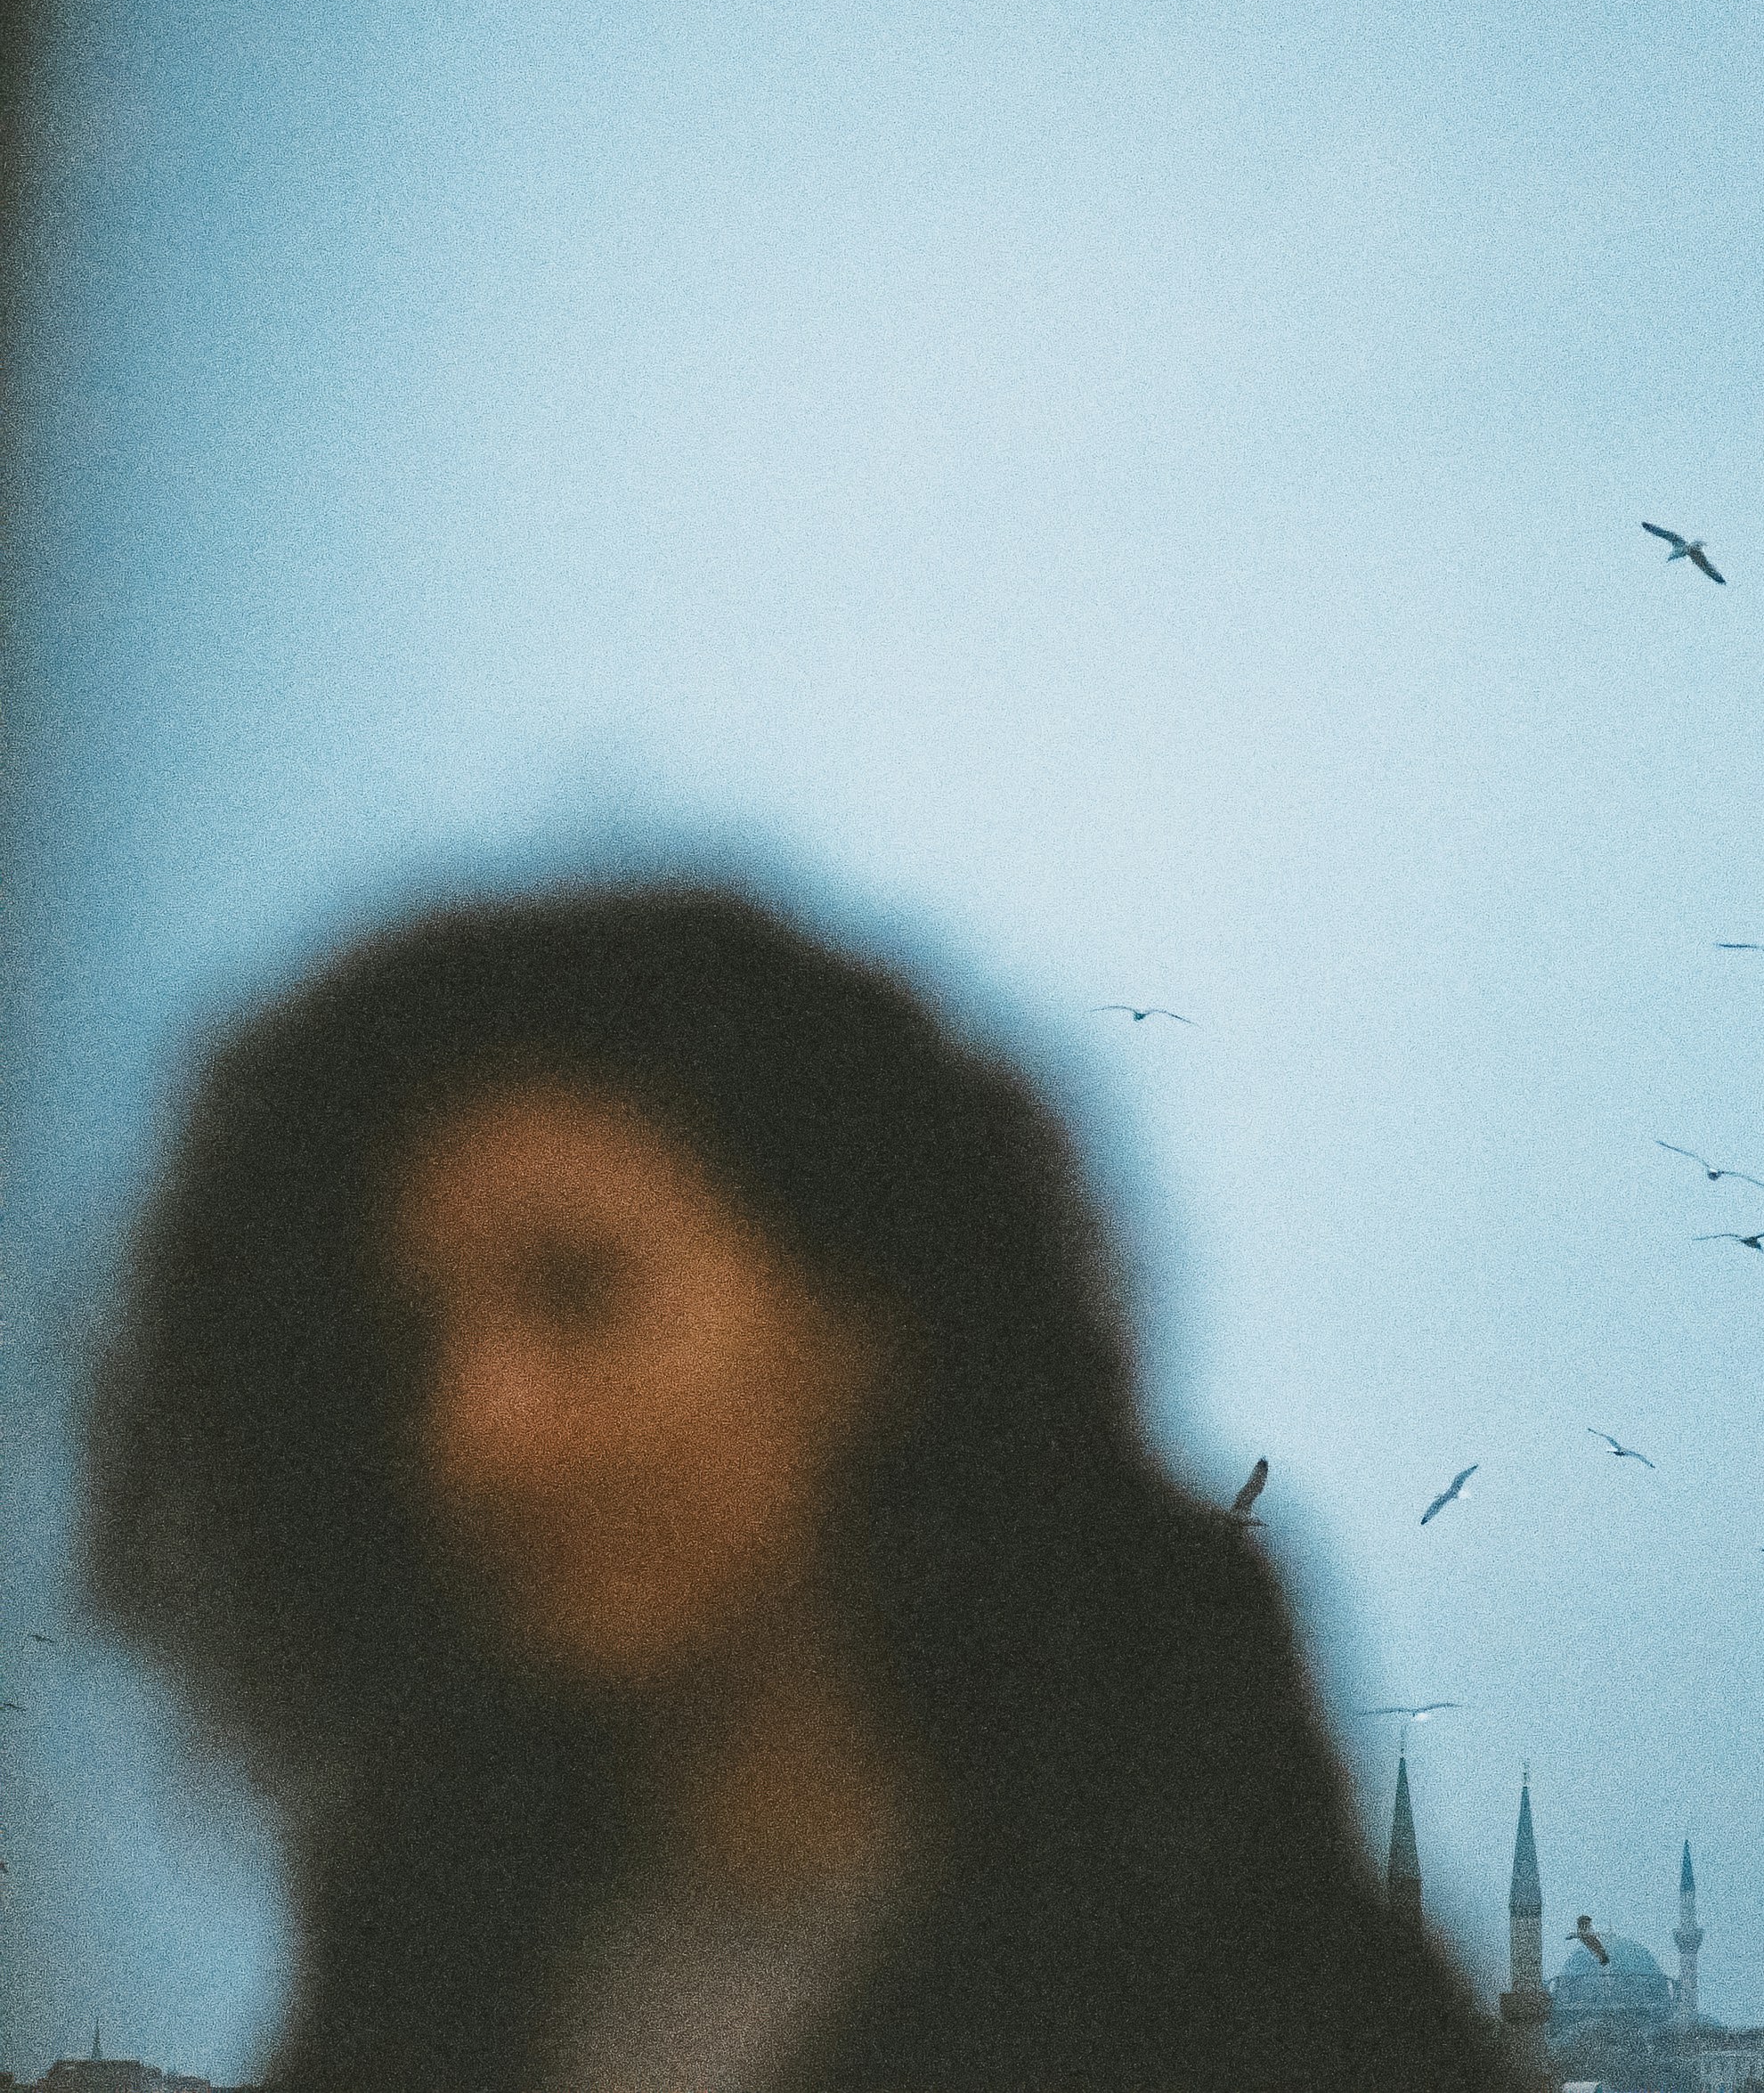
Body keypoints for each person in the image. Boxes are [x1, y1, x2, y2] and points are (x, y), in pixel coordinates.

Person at [82, 874, 1521, 2093]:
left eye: (579, 1295)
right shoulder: (419, 1970)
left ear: (860, 1318)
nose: (475, 1428)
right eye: (405, 1345)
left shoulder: (1249, 1994)